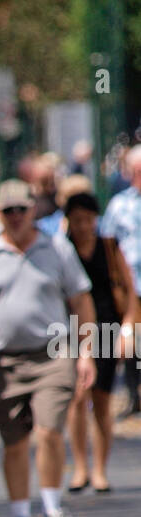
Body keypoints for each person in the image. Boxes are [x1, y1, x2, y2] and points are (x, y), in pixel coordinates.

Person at [0, 180, 96, 517]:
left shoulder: (57, 249)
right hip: (2, 360)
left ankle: (53, 512)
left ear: (33, 209)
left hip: (53, 353)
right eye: (8, 211)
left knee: (50, 431)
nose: (16, 217)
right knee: (14, 442)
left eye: (22, 209)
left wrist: (86, 353)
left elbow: (81, 302)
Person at [65, 191, 136, 493]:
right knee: (77, 399)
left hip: (107, 326)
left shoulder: (109, 247)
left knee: (102, 399)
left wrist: (129, 331)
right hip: (69, 329)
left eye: (88, 219)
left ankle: (100, 469)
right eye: (76, 219)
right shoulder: (62, 249)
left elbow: (131, 292)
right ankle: (80, 466)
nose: (83, 226)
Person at [99, 144, 141, 416]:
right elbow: (108, 243)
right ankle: (133, 394)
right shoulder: (119, 204)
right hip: (131, 285)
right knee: (131, 342)